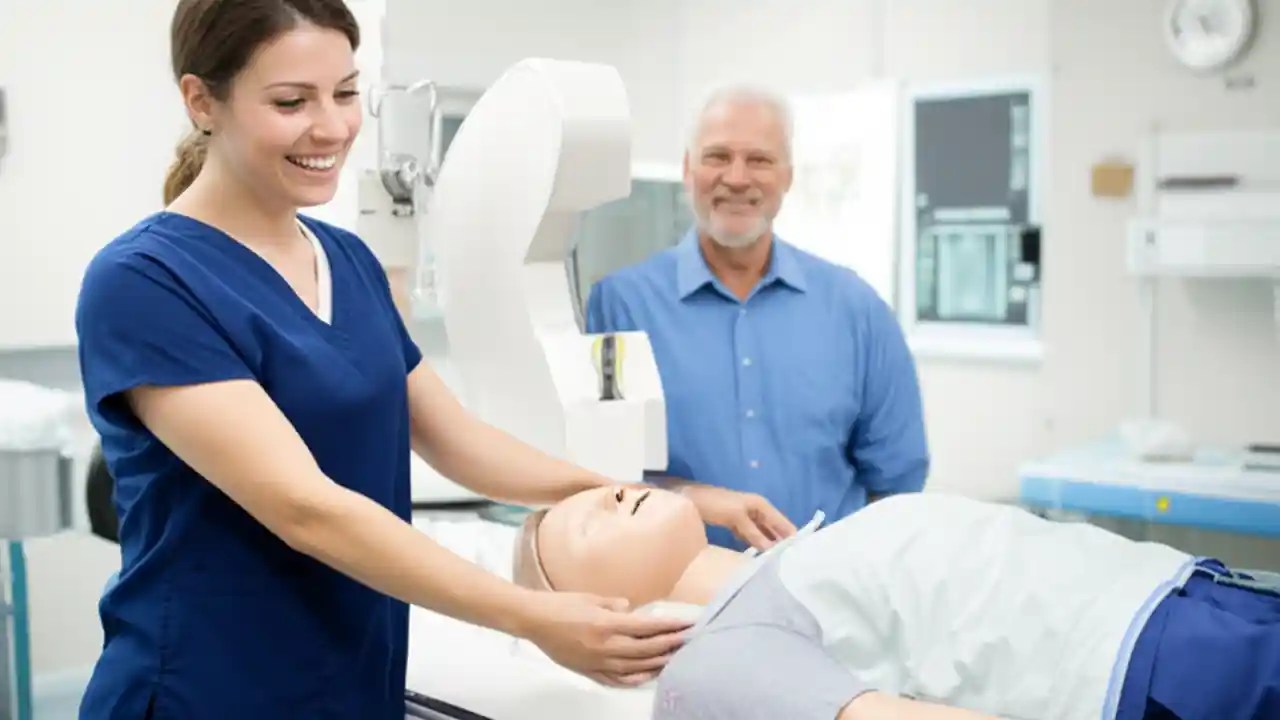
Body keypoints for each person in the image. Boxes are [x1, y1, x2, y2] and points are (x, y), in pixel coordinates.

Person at [72, 2, 788, 718]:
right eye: (292, 102)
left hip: (354, 678)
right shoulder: (145, 282)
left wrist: (662, 497)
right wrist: (532, 616)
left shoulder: (347, 262)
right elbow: (304, 509)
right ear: (202, 101)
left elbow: (459, 441)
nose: (331, 127)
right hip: (206, 688)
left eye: (347, 93)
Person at [513, 486, 1280, 720]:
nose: (609, 491)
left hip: (1181, 600)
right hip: (1151, 672)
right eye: (586, 520)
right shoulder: (715, 662)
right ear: (597, 610)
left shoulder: (790, 564)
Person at [584, 85, 930, 550]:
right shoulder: (620, 306)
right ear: (688, 170)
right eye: (717, 156)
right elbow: (602, 476)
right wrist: (694, 499)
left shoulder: (857, 310)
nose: (737, 177)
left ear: (787, 176)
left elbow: (897, 483)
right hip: (676, 602)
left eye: (760, 160)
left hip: (825, 600)